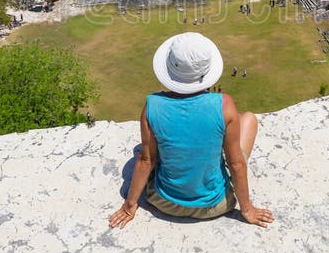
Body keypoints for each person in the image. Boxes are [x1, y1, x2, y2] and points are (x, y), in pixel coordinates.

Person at [109, 32, 274, 229]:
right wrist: (247, 209)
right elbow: (236, 164)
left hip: (164, 202)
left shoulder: (153, 105)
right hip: (215, 205)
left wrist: (129, 205)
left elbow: (146, 160)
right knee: (248, 119)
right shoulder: (224, 104)